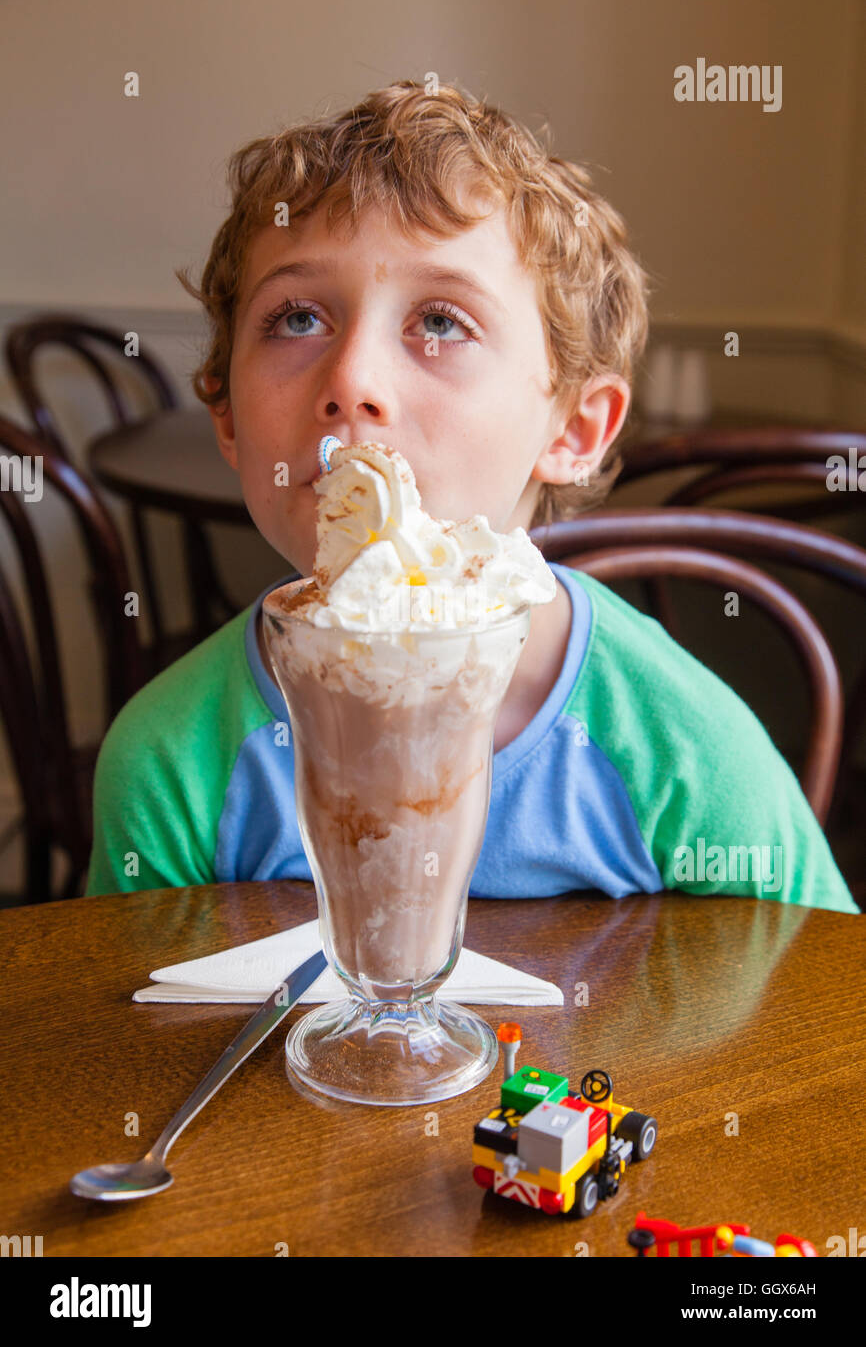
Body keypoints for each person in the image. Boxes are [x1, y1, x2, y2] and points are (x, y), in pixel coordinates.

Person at [85, 80, 857, 913]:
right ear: (227, 413)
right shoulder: (170, 767)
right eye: (299, 318)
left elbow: (816, 1002)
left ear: (573, 429)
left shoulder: (687, 758)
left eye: (442, 322)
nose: (353, 381)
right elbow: (136, 1034)